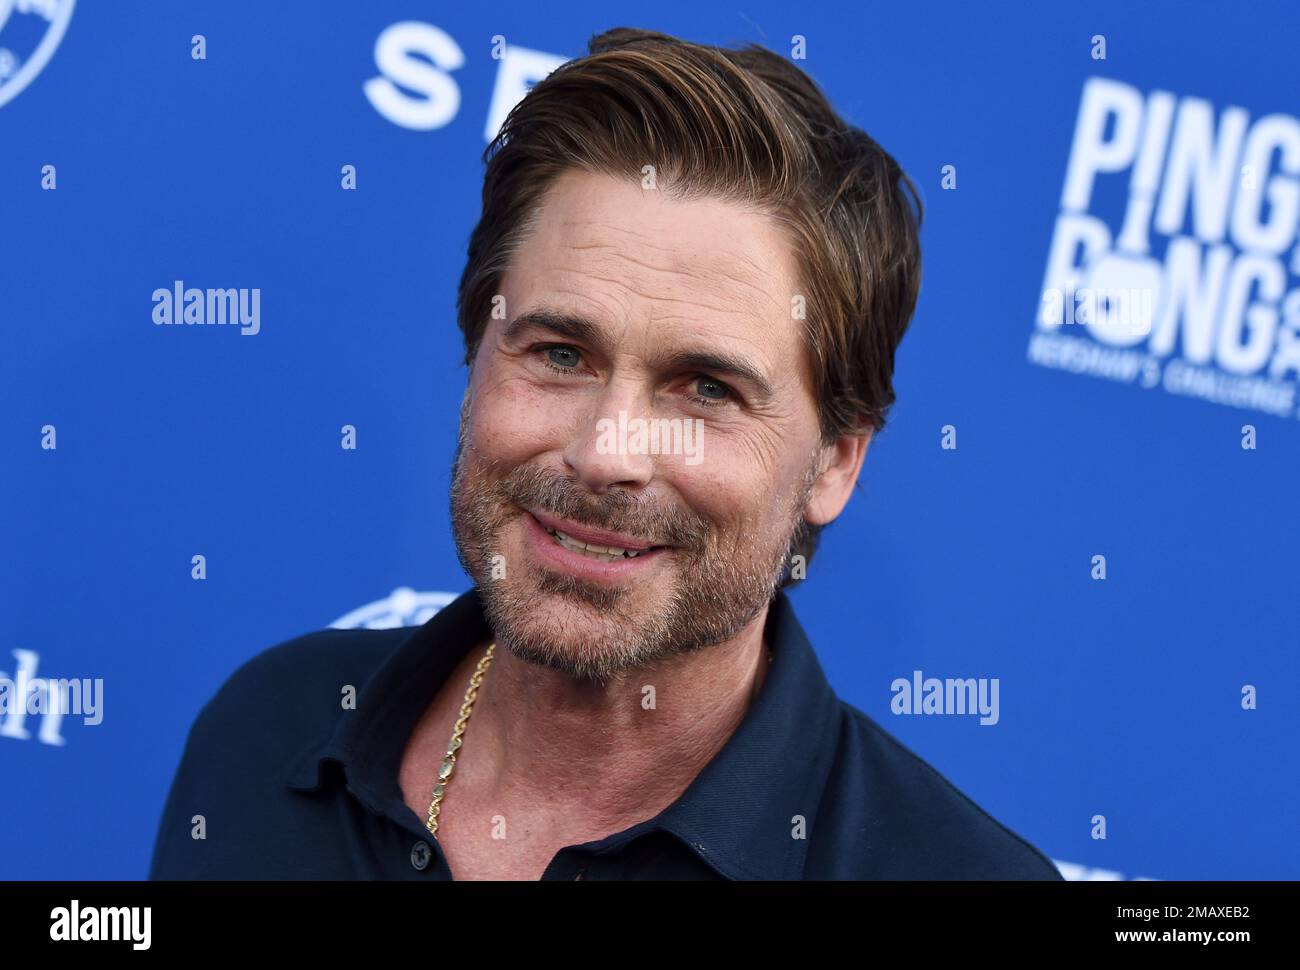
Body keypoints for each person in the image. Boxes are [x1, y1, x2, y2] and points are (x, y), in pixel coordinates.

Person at [149, 26, 1061, 881]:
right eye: (559, 355)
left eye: (706, 388)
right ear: (476, 357)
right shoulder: (269, 732)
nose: (604, 453)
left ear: (834, 464)